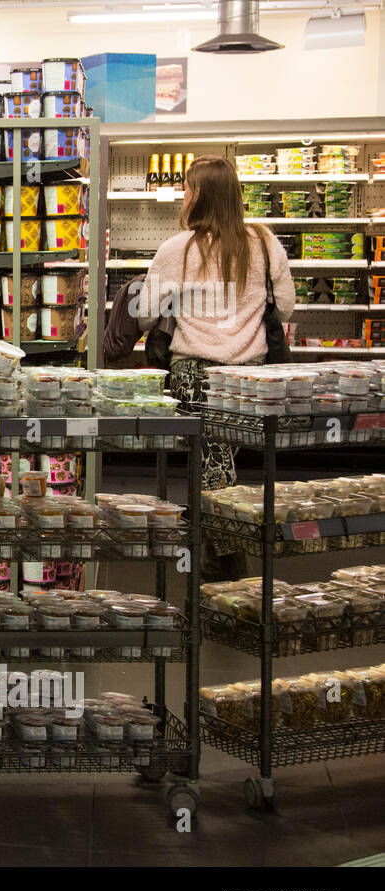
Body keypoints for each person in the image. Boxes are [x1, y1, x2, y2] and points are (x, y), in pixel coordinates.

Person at [139, 155, 295, 577]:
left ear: (199, 195)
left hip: (196, 377)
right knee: (221, 461)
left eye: (188, 188)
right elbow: (284, 305)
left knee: (211, 465)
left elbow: (146, 312)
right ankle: (223, 548)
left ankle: (223, 558)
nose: (184, 196)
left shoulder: (179, 249)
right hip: (250, 379)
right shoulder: (263, 242)